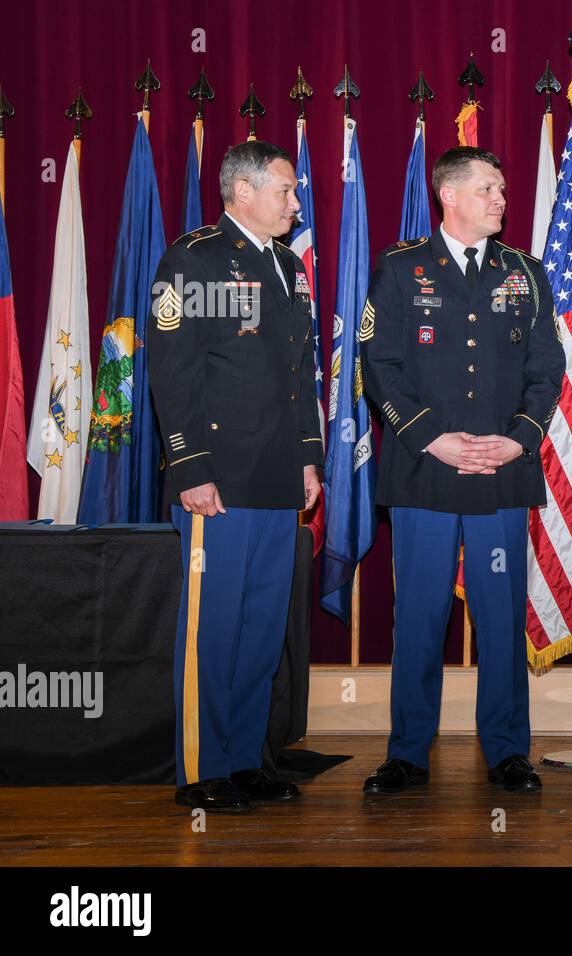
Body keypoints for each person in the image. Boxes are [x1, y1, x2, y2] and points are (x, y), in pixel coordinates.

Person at [360, 147, 563, 795]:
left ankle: (507, 750)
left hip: (500, 470)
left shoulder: (524, 271)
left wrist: (519, 441)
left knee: (500, 616)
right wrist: (430, 438)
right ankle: (407, 753)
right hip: (426, 470)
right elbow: (378, 364)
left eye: (502, 188)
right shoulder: (401, 267)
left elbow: (547, 368)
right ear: (448, 196)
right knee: (419, 616)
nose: (501, 198)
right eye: (487, 189)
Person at [150, 140, 322, 813]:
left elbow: (299, 374)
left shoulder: (288, 266)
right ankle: (204, 768)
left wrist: (308, 457)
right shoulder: (194, 259)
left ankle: (248, 760)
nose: (295, 203)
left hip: (277, 477)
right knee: (213, 629)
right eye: (285, 189)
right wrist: (190, 467)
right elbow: (173, 373)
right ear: (241, 191)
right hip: (216, 479)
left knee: (260, 630)